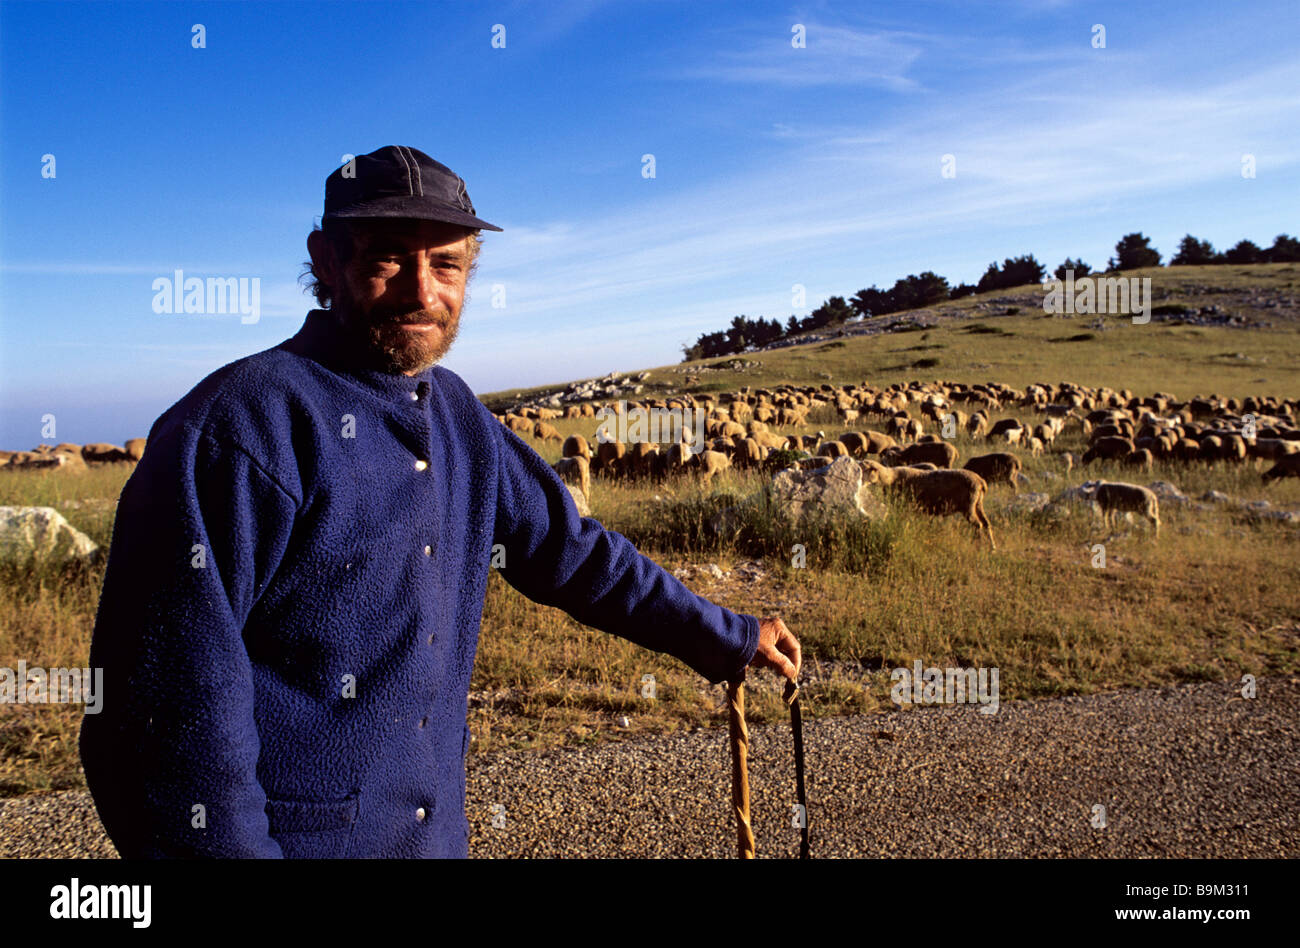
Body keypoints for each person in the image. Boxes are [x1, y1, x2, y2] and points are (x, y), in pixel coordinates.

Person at [80, 145, 801, 858]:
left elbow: (574, 554)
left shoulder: (455, 415)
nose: (423, 291)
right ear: (326, 261)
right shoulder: (241, 429)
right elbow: (163, 724)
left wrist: (725, 634)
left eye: (447, 264)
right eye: (388, 256)